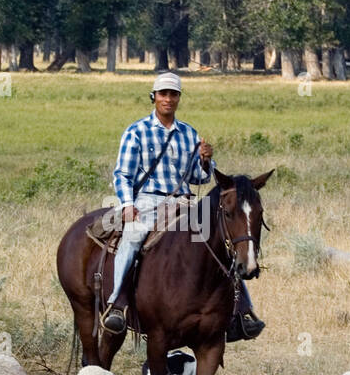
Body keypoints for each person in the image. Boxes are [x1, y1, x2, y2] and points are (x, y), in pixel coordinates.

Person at [101, 71, 265, 341]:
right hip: (148, 199)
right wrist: (128, 204)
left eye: (173, 94)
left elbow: (199, 178)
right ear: (154, 97)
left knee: (221, 239)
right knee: (131, 237)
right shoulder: (136, 131)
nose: (168, 99)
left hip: (185, 201)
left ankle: (242, 312)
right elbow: (122, 174)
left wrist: (204, 162)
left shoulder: (189, 134)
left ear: (179, 98)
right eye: (163, 94)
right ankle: (117, 303)